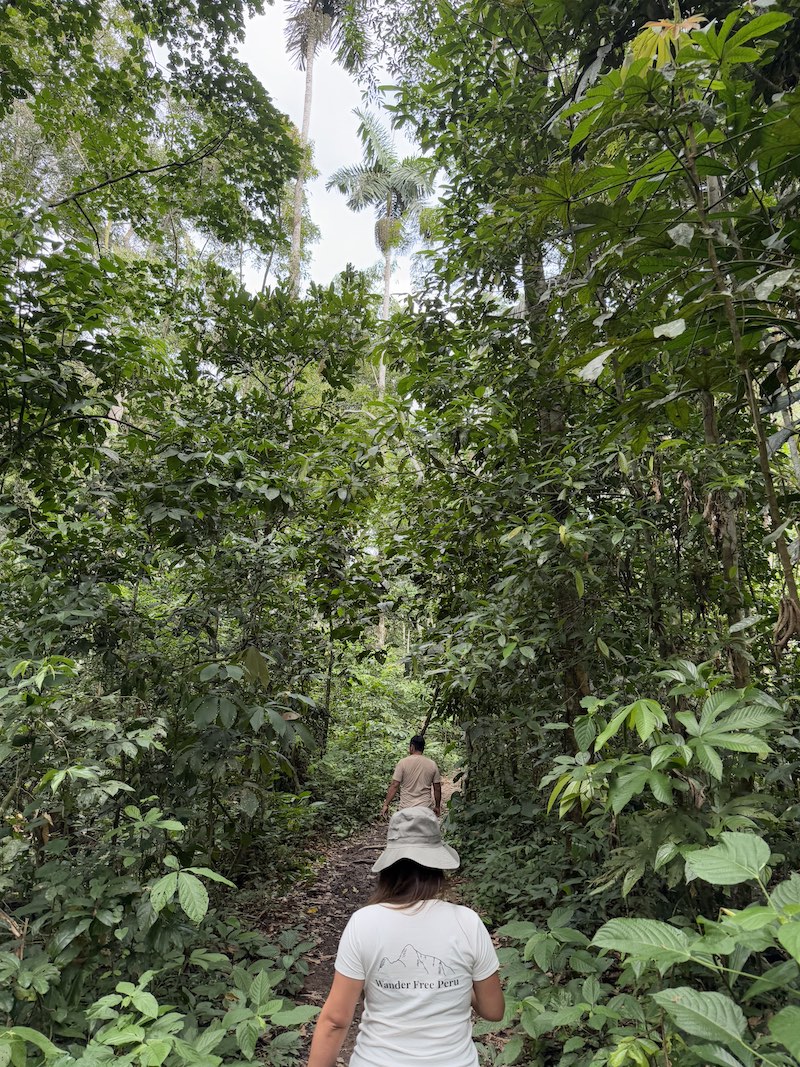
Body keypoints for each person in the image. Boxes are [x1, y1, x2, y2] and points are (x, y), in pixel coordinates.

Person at [306, 807, 504, 1067]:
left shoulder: (364, 922)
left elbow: (334, 1021)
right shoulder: (467, 922)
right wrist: (455, 984)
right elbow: (493, 1010)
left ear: (388, 867)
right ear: (438, 866)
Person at [381, 734, 441, 818]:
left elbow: (395, 785)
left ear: (412, 747)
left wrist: (386, 804)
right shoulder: (432, 764)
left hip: (406, 809)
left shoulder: (402, 763)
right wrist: (437, 806)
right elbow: (437, 788)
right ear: (423, 748)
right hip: (424, 809)